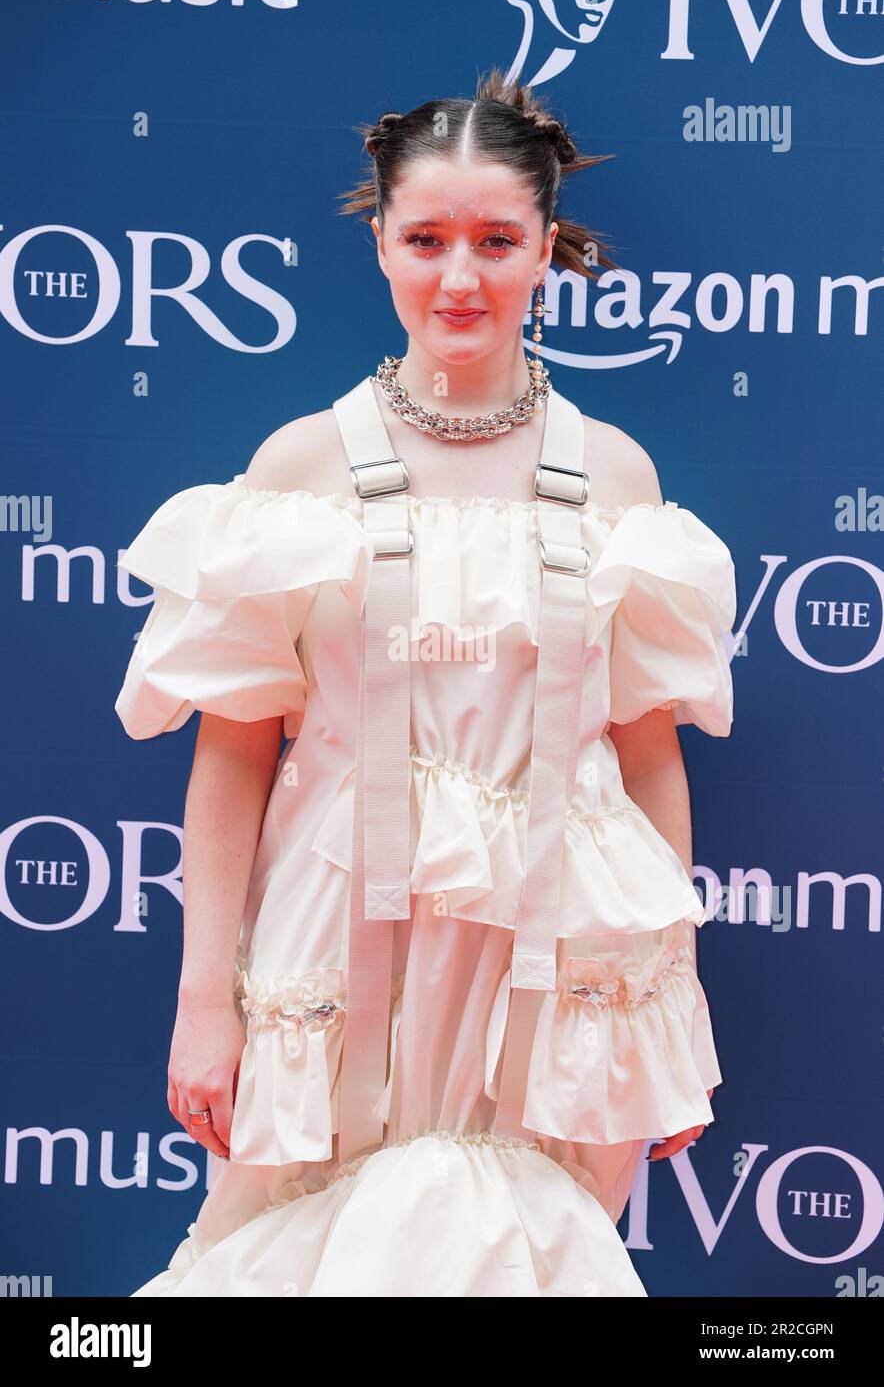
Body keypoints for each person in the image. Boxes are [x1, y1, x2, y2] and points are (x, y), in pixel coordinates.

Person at [114, 68, 735, 1297]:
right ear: (382, 246)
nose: (461, 278)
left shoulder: (614, 477)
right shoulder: (301, 465)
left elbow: (647, 756)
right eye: (428, 240)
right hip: (338, 965)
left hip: (563, 975)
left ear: (545, 249)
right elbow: (234, 754)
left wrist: (672, 1010)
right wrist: (202, 1006)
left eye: (497, 241)